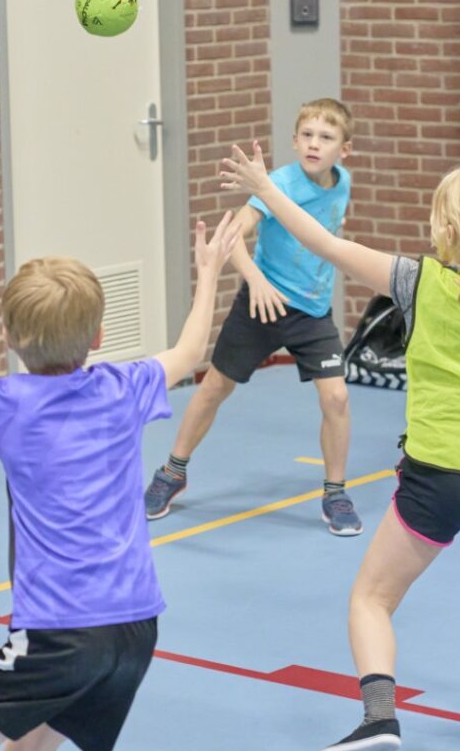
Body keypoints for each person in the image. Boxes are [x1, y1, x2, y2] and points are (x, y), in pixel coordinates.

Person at [222, 75, 460, 751]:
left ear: (445, 230)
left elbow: (323, 243)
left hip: (438, 474)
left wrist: (266, 190)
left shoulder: (418, 281)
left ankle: (378, 717)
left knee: (371, 597)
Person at [0, 211, 239, 751]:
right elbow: (190, 352)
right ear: (99, 336)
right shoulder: (124, 386)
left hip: (59, 633)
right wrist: (209, 270)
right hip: (134, 630)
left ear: (10, 337)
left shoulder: (5, 403)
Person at [145, 98, 362, 535]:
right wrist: (256, 280)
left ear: (345, 149)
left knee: (337, 398)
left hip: (312, 312)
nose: (314, 144)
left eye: (326, 137)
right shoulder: (278, 183)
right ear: (294, 140)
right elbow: (232, 236)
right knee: (214, 388)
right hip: (260, 305)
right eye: (307, 135)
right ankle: (172, 472)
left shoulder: (343, 184)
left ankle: (335, 492)